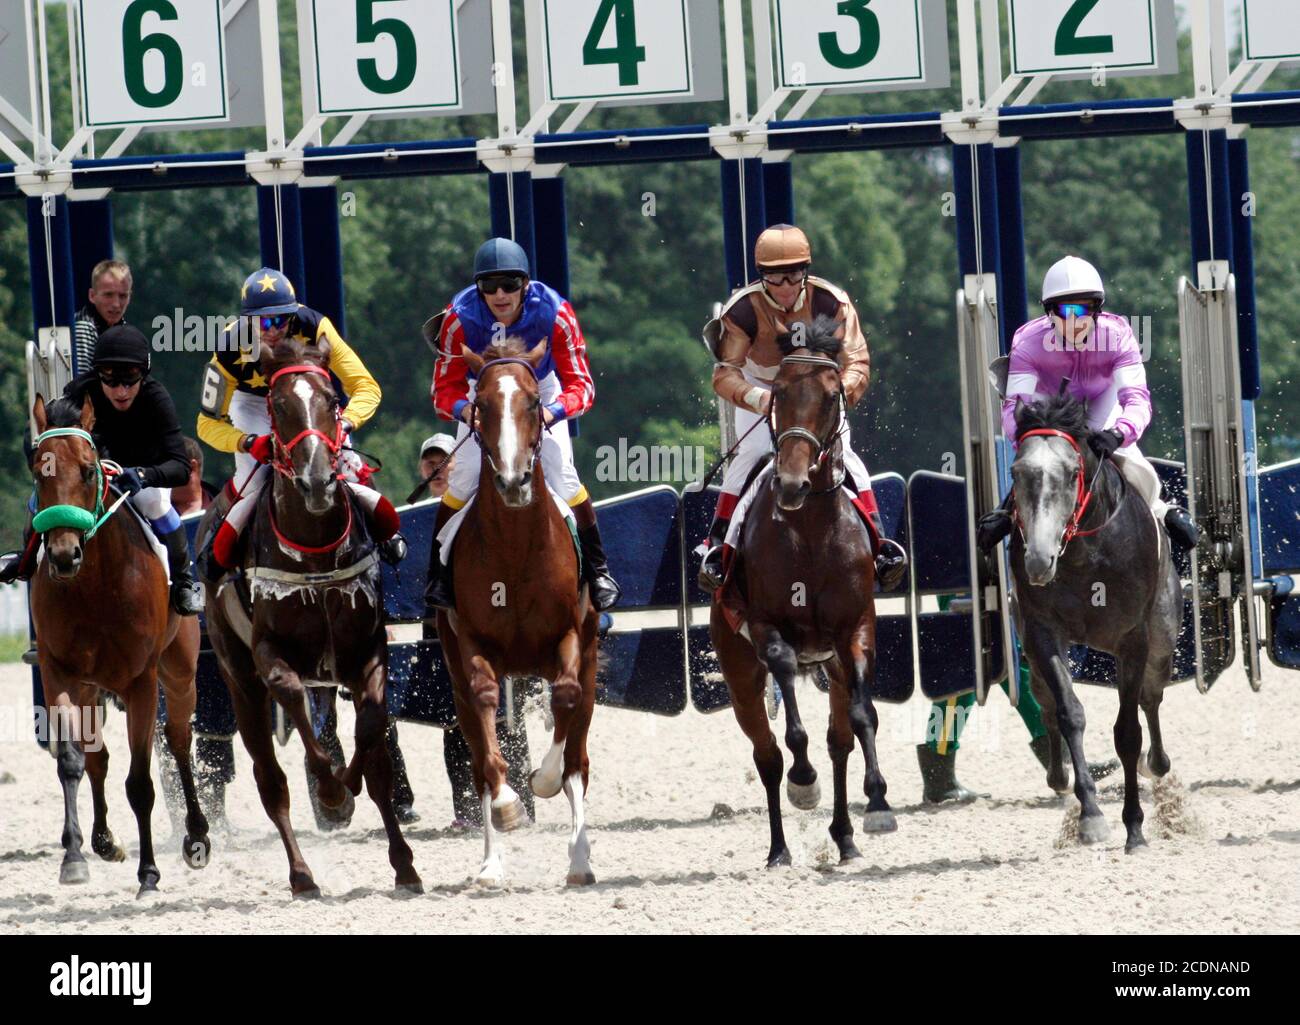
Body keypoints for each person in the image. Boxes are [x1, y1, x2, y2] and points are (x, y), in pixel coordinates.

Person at [696, 224, 908, 592]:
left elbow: (857, 361)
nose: (784, 286)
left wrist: (833, 393)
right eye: (773, 278)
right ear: (761, 275)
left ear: (806, 269)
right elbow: (725, 374)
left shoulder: (831, 302)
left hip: (816, 392)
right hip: (763, 389)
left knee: (845, 451)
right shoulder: (743, 310)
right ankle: (717, 545)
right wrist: (759, 398)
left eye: (793, 274)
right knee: (754, 452)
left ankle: (879, 543)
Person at [423, 238, 620, 612]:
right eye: (489, 285)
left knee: (562, 473)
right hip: (482, 392)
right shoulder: (457, 317)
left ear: (525, 284)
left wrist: (550, 413)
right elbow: (442, 390)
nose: (500, 294)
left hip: (538, 390)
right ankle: (438, 576)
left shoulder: (556, 312)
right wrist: (467, 411)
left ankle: (598, 571)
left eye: (510, 284)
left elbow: (582, 385)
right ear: (478, 287)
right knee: (463, 476)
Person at [976, 256, 1199, 555]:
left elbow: (1136, 399)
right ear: (1048, 312)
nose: (1075, 320)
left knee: (1127, 458)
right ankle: (1008, 510)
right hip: (1050, 405)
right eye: (1066, 310)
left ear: (1098, 310)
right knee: (1040, 462)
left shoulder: (1117, 334)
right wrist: (1028, 439)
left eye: (1085, 309)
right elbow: (1015, 408)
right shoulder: (1028, 341)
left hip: (1101, 401)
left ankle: (1157, 509)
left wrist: (1120, 433)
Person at [195, 267, 406, 576]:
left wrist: (346, 423)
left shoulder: (316, 326)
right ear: (246, 321)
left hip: (306, 401)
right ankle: (222, 549)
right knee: (252, 480)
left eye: (280, 319)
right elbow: (205, 424)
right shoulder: (228, 346)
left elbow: (365, 386)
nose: (272, 329)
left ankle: (385, 534)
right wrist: (247, 442)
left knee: (348, 462)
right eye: (262, 322)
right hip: (253, 404)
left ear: (293, 315)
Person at [0, 325, 203, 616]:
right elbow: (37, 433)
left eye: (130, 380)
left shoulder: (157, 399)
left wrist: (144, 475)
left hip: (142, 475)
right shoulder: (82, 390)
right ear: (98, 375)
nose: (120, 390)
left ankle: (184, 580)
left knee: (154, 503)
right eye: (110, 379)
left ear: (143, 375)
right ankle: (26, 560)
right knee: (43, 497)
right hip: (91, 472)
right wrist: (47, 465)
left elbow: (180, 466)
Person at [74, 260, 133, 372]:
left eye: (123, 296)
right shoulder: (83, 328)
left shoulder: (123, 332)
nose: (116, 304)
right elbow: (80, 384)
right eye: (108, 295)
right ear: (92, 296)